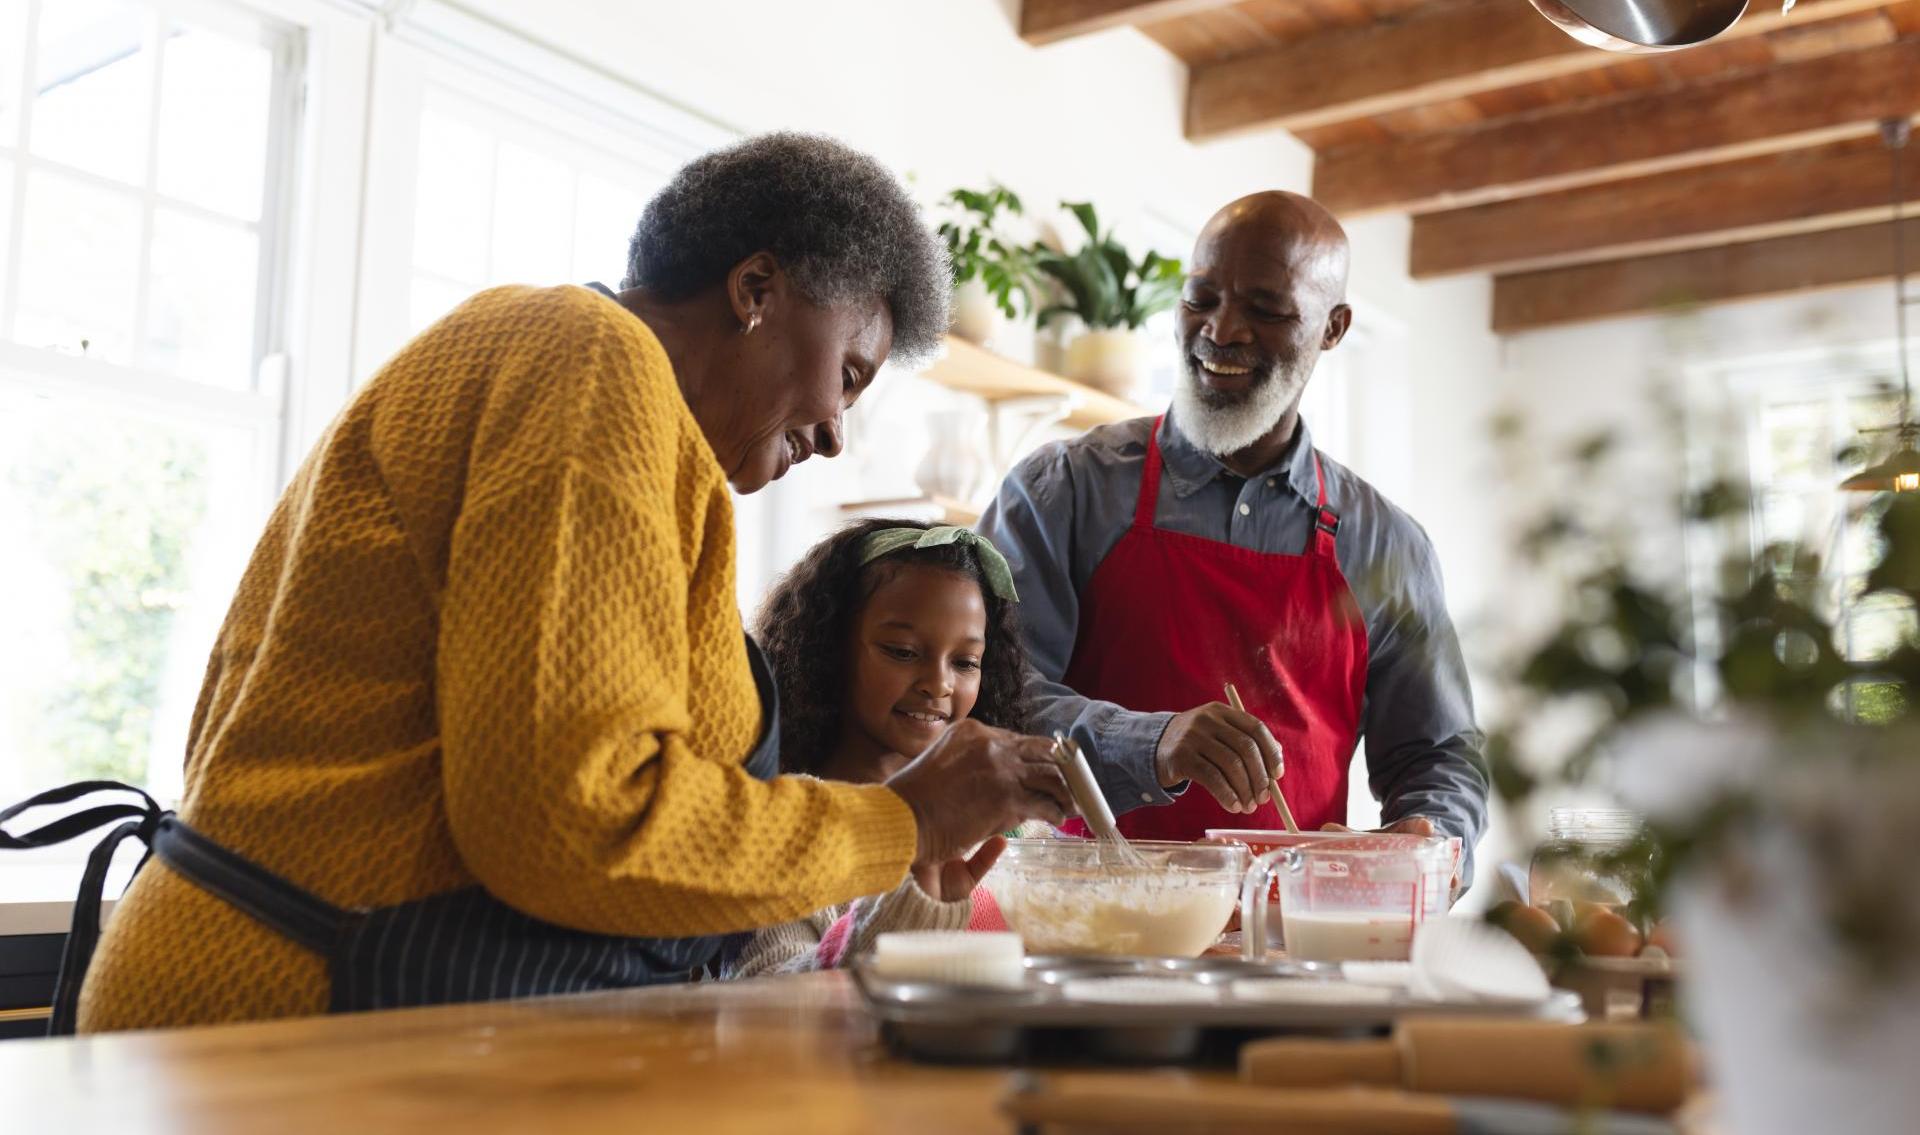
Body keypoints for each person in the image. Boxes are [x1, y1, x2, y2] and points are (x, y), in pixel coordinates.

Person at [0, 133, 1070, 1034]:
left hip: (343, 1012)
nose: (838, 432)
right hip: (282, 1024)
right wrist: (895, 820)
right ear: (756, 290)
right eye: (849, 374)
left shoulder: (628, 426)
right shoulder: (589, 359)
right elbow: (574, 816)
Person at [976, 191, 1488, 877]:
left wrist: (1430, 840)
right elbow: (991, 698)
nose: (1221, 330)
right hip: (1086, 915)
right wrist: (1152, 743)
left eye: (1266, 311)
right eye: (1201, 298)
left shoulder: (1386, 545)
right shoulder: (1063, 491)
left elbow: (1440, 754)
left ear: (1333, 328)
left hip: (1293, 927)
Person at [722, 519, 1050, 979]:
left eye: (964, 662)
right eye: (902, 651)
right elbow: (765, 992)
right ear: (829, 649)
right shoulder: (784, 827)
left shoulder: (1018, 835)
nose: (938, 683)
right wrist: (906, 909)